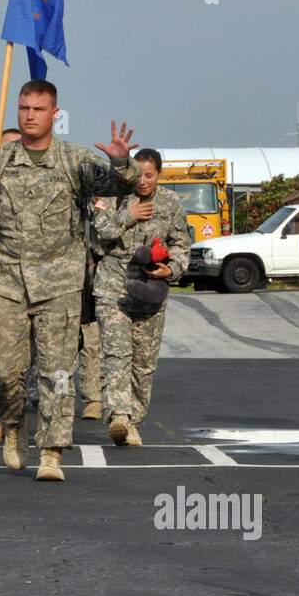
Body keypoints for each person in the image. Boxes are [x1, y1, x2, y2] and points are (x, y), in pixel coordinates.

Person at [0, 80, 139, 482]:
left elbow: (121, 185)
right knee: (6, 372)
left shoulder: (74, 160)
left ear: (54, 114)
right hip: (6, 280)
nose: (29, 115)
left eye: (38, 109)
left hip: (59, 282)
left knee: (58, 372)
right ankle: (13, 424)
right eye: (24, 107)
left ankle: (52, 451)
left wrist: (121, 161)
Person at [92, 148, 190, 446]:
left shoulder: (171, 203)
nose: (143, 181)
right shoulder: (112, 196)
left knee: (143, 364)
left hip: (150, 290)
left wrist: (171, 268)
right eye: (139, 174)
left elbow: (181, 244)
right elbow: (99, 232)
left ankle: (135, 421)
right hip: (114, 287)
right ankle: (118, 416)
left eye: (150, 175)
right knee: (116, 355)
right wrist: (128, 215)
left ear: (159, 175)